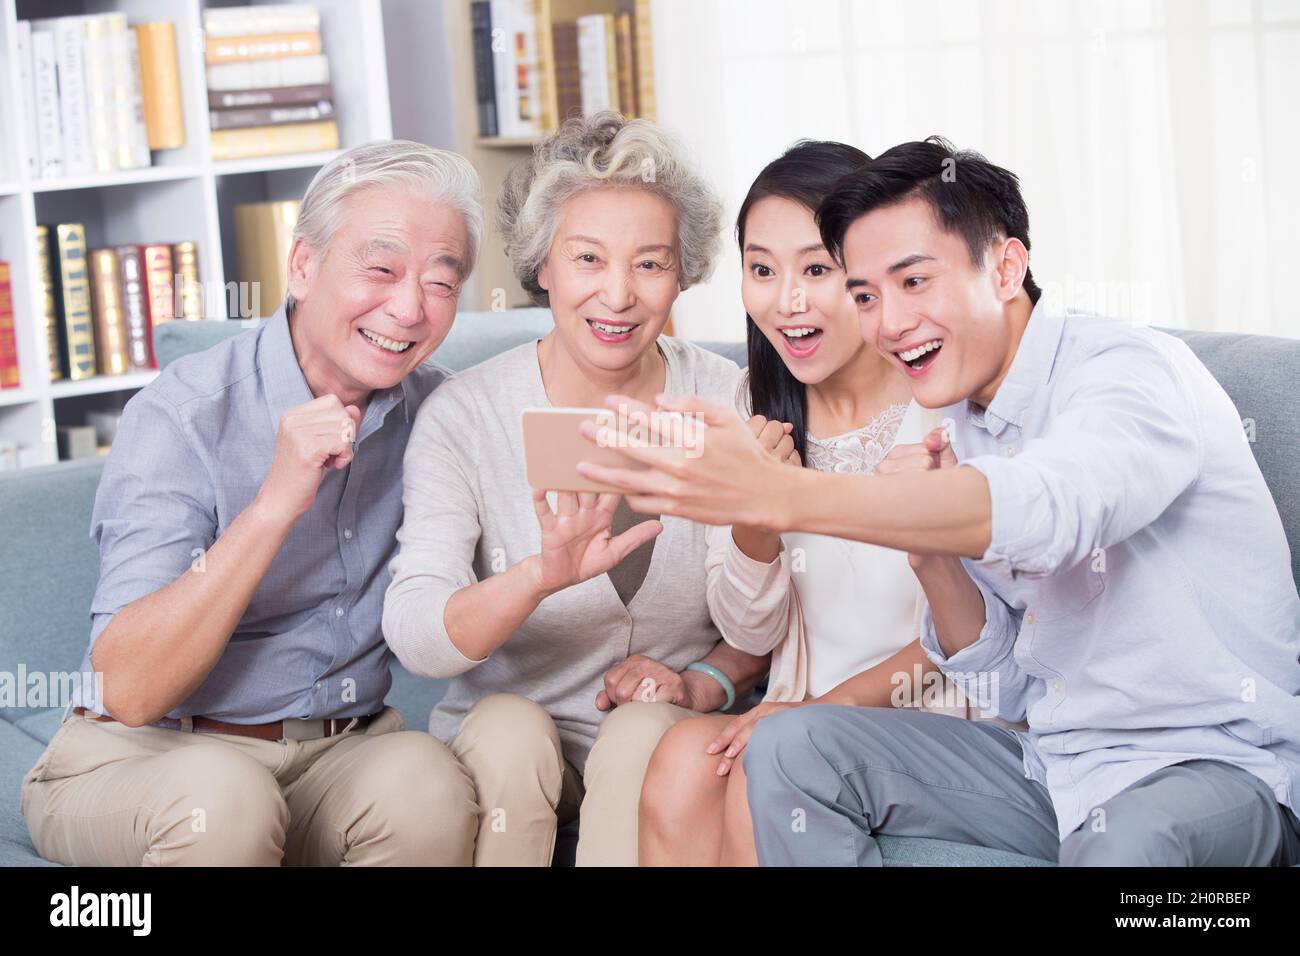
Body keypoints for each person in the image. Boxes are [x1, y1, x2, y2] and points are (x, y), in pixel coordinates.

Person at [582, 136, 1300, 866]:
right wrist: (932, 562)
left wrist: (787, 496)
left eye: (914, 281)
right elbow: (1008, 688)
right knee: (790, 746)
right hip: (1053, 763)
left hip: (1207, 764)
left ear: (1006, 266)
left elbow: (1054, 505)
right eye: (866, 295)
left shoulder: (1127, 372)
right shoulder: (964, 420)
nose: (888, 323)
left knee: (1132, 842)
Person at [21, 141, 488, 866]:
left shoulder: (441, 415)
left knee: (427, 784)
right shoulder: (185, 413)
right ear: (303, 265)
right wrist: (275, 503)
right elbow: (131, 690)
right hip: (146, 757)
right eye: (382, 269)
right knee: (223, 799)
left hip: (333, 760)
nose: (408, 307)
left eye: (441, 282)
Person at [382, 112, 770, 867]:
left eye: (650, 264)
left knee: (639, 726)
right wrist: (538, 577)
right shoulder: (464, 414)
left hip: (662, 733)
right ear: (544, 266)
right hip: (510, 752)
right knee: (508, 728)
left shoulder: (730, 404)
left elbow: (769, 623)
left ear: (683, 272)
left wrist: (701, 680)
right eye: (588, 258)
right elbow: (418, 636)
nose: (618, 295)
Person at [638, 140, 970, 867]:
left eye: (816, 269)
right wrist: (755, 516)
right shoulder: (750, 404)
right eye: (761, 270)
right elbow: (747, 630)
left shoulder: (942, 411)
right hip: (793, 707)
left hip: (931, 719)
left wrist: (817, 716)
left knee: (762, 770)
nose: (785, 302)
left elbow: (971, 640)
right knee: (679, 761)